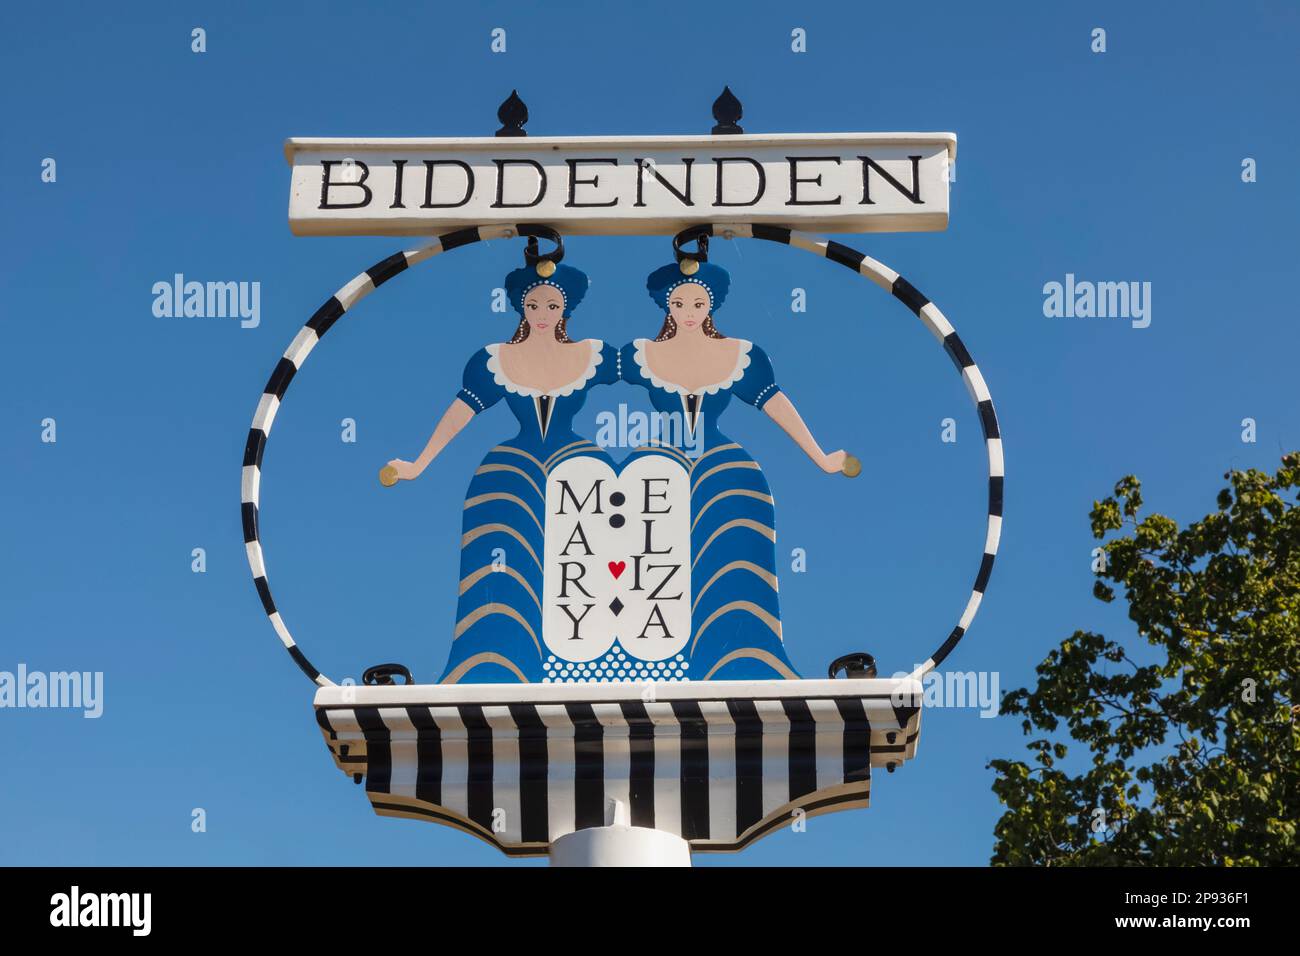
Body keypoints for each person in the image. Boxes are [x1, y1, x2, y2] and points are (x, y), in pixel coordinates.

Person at [384, 250, 618, 683]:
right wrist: (418, 464)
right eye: (534, 305)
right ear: (521, 308)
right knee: (505, 565)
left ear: (566, 308)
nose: (543, 314)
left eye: (552, 305)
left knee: (581, 564)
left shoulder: (594, 356)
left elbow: (662, 373)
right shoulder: (494, 361)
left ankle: (589, 662)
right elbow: (461, 411)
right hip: (512, 473)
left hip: (580, 470)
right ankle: (493, 666)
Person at [621, 257, 852, 679]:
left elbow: (774, 403)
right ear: (666, 307)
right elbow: (575, 371)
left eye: (697, 303)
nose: (688, 313)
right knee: (650, 562)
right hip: (658, 470)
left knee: (736, 556)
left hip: (724, 470)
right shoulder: (640, 356)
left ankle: (743, 658)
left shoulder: (739, 355)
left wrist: (820, 457)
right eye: (679, 303)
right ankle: (647, 659)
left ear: (711, 306)